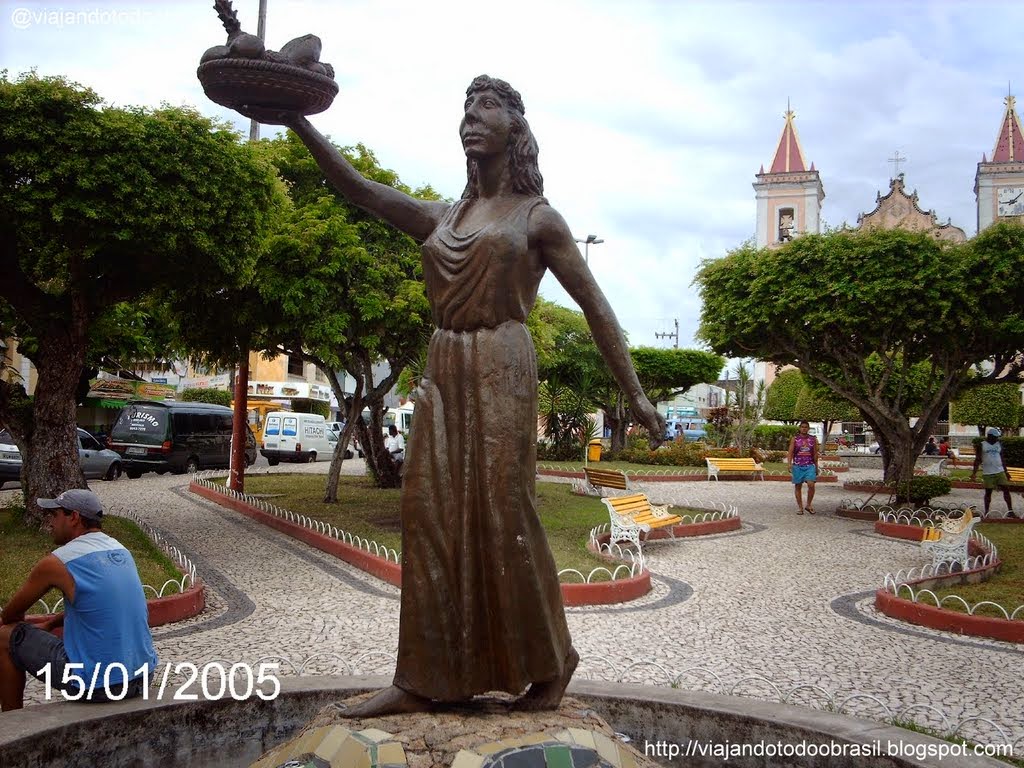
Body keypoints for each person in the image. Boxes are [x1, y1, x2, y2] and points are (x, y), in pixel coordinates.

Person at [278, 75, 664, 716]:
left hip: (502, 363)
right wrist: (298, 122)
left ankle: (550, 665)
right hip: (445, 362)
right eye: (465, 108)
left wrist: (637, 394)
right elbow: (358, 190)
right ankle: (425, 677)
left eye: (486, 107)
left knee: (503, 513)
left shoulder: (538, 218)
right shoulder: (444, 215)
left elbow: (596, 308)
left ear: (516, 128)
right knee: (429, 514)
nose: (470, 118)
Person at [0, 489, 158, 710]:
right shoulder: (121, 550)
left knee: (5, 637)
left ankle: (12, 725)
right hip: (141, 677)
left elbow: (10, 615)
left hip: (97, 685)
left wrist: (30, 627)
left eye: (54, 515)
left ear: (73, 517)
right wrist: (52, 623)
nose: (50, 523)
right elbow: (100, 607)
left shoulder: (59, 562)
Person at [970, 428, 1018, 519]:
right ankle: (986, 512)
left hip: (1000, 471)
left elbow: (1002, 459)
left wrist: (1006, 471)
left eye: (997, 437)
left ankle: (1010, 511)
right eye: (995, 437)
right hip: (988, 473)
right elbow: (978, 459)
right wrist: (974, 473)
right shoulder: (982, 445)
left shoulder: (998, 444)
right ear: (989, 436)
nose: (997, 439)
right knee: (988, 492)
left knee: (1006, 490)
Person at [787, 420, 819, 515]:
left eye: (806, 427)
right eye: (802, 427)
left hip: (809, 465)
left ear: (808, 429)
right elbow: (790, 452)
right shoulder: (795, 439)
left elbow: (815, 454)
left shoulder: (813, 439)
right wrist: (789, 464)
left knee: (811, 484)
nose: (804, 428)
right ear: (800, 428)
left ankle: (808, 505)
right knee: (798, 486)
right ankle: (800, 507)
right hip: (797, 465)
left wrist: (816, 466)